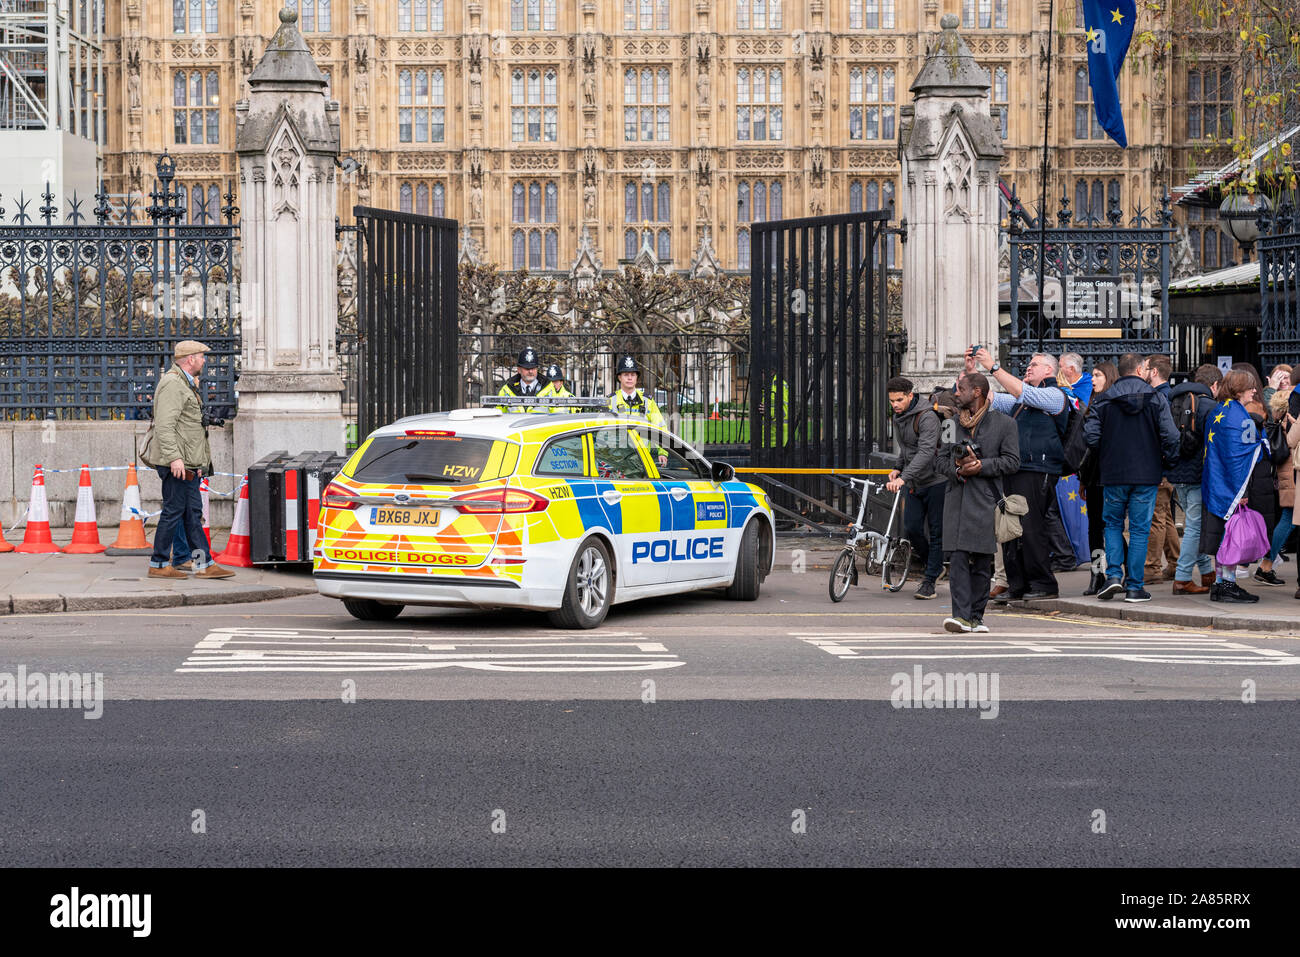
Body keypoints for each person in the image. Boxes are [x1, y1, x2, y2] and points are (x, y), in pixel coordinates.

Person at [969, 348, 1069, 600]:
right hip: (1017, 468)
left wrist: (993, 367)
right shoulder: (1021, 402)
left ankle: (1044, 584)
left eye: (1034, 364)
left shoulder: (1053, 395)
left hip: (1038, 470)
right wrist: (972, 373)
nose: (1028, 367)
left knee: (1031, 527)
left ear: (1049, 370)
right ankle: (1019, 584)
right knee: (1011, 528)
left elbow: (1023, 392)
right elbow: (987, 397)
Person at [1083, 352, 1180, 603]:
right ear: (1139, 371)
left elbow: (1091, 437)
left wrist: (1108, 453)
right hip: (1147, 474)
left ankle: (1114, 576)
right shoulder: (1157, 399)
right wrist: (1165, 463)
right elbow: (1171, 436)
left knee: (1113, 525)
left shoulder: (1103, 400)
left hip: (1113, 473)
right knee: (1139, 530)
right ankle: (1135, 586)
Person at [139, 341, 235, 580]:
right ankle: (159, 564)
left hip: (188, 462)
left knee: (192, 513)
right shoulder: (173, 384)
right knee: (173, 512)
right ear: (190, 359)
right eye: (202, 357)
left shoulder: (183, 383)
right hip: (179, 463)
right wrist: (175, 458)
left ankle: (204, 564)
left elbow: (187, 422)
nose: (204, 361)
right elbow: (165, 425)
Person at [934, 371, 1020, 634]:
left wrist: (981, 465)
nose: (956, 393)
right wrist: (958, 469)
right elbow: (939, 462)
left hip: (985, 500)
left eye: (960, 389)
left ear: (977, 392)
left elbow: (1012, 462)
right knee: (958, 558)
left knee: (982, 561)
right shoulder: (950, 425)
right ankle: (960, 616)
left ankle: (976, 617)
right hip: (957, 499)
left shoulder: (1005, 424)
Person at [1202, 369, 1268, 603]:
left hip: (1216, 483)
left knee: (1223, 537)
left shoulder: (1219, 411)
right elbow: (1243, 456)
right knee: (1231, 538)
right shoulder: (1239, 416)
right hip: (1233, 486)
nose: (1254, 391)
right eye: (1250, 387)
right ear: (1239, 389)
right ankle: (1228, 584)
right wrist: (1243, 491)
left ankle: (1220, 585)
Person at [886, 376, 946, 601]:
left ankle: (929, 581)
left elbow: (926, 451)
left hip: (935, 480)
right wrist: (897, 468)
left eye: (899, 400)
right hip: (914, 481)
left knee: (936, 530)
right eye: (891, 401)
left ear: (910, 396)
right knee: (911, 528)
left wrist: (903, 478)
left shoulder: (927, 416)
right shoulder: (899, 416)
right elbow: (907, 449)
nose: (895, 405)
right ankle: (935, 564)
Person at [1165, 364, 1221, 595]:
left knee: (1192, 523)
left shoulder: (1171, 401)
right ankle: (1183, 578)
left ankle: (1207, 572)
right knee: (1195, 527)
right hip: (1198, 473)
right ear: (1214, 385)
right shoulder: (1209, 405)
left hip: (1177, 472)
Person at [1142, 354, 1182, 583]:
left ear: (1154, 372)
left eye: (1145, 368)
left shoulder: (1160, 397)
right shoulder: (1169, 395)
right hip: (1166, 466)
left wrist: (1161, 465)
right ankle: (1175, 563)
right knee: (1165, 516)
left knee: (1156, 517)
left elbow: (1164, 435)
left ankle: (1151, 569)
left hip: (1160, 467)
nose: (1142, 372)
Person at [1079, 361, 1118, 595]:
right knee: (1095, 529)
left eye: (1098, 375)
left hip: (1110, 475)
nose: (1093, 379)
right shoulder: (1092, 403)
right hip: (1094, 476)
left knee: (1109, 526)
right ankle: (1096, 574)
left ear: (1109, 377)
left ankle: (1118, 571)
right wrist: (1083, 478)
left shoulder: (1111, 404)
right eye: (1092, 375)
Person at [1252, 391, 1294, 586]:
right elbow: (1290, 442)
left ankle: (1266, 564)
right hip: (1292, 475)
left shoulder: (1287, 409)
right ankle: (1266, 565)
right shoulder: (1291, 413)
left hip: (1288, 474)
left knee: (1288, 517)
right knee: (1289, 517)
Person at [608, 354, 668, 464]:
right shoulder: (610, 401)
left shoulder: (648, 401)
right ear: (619, 377)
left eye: (632, 374)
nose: (630, 378)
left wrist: (662, 452)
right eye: (626, 374)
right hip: (616, 460)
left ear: (637, 378)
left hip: (643, 460)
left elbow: (660, 427)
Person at [497, 347, 550, 411]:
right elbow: (499, 412)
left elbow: (557, 415)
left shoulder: (548, 387)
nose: (530, 371)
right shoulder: (507, 389)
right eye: (527, 368)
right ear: (519, 370)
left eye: (533, 368)